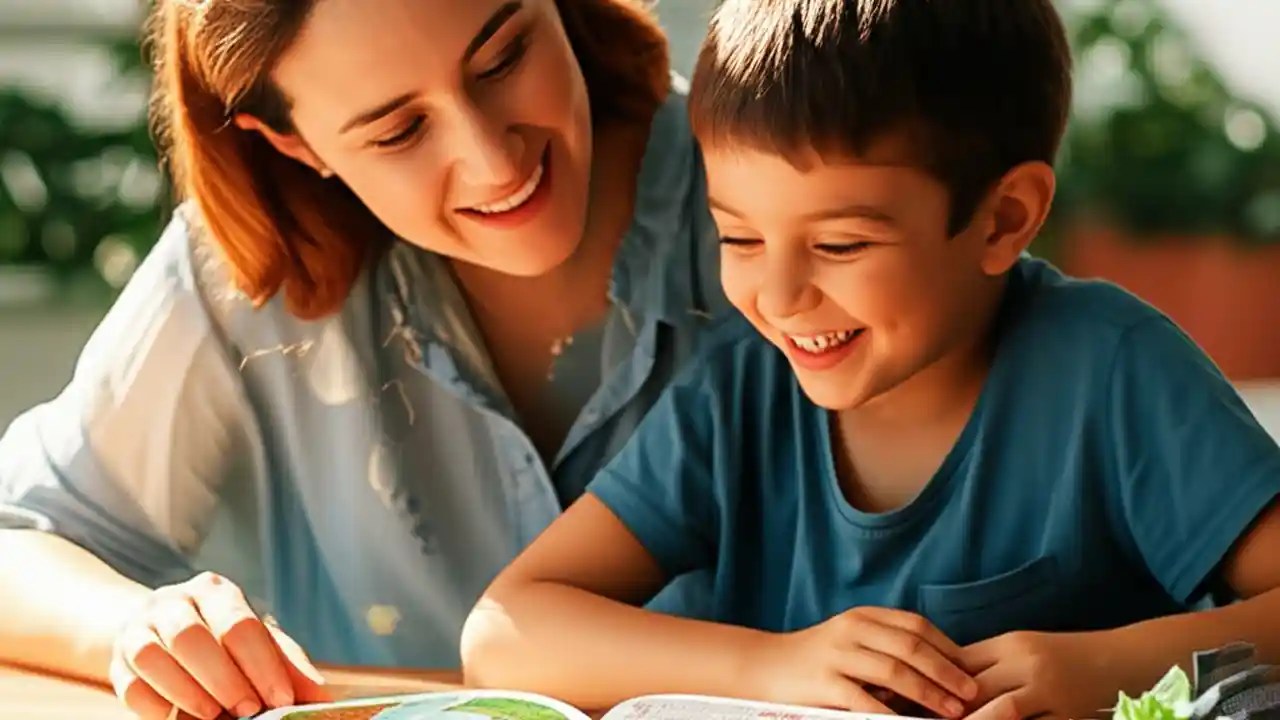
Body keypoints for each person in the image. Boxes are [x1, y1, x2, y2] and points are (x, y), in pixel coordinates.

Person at [459, 1, 1280, 718]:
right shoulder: (736, 395)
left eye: (840, 244)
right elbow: (504, 634)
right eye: (738, 237)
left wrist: (1103, 669)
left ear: (1003, 220)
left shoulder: (1113, 371)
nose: (778, 296)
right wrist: (772, 667)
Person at [0, 1, 724, 719]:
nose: (493, 160)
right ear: (294, 143)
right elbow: (18, 541)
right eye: (399, 131)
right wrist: (136, 627)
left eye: (504, 58)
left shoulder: (784, 189)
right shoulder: (245, 272)